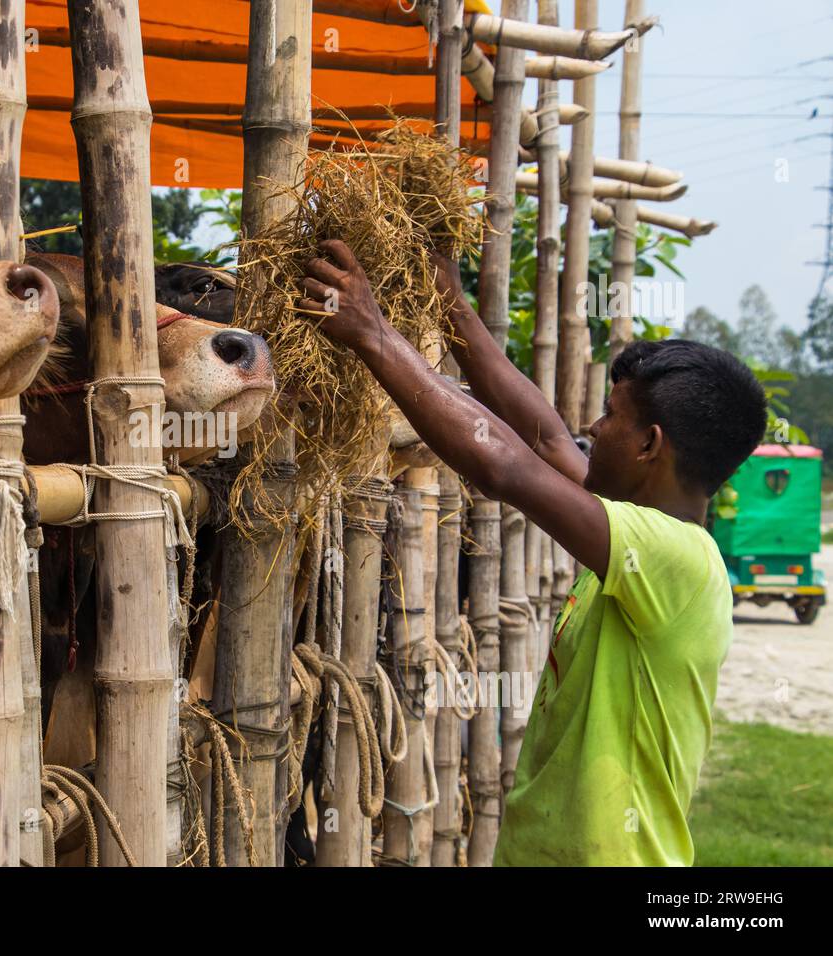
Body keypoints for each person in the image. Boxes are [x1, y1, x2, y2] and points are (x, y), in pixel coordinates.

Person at [298, 240, 768, 866]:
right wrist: (452, 307)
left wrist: (373, 334)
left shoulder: (677, 558)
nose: (593, 430)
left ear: (650, 445)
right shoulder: (632, 532)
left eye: (610, 417)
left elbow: (507, 467)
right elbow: (544, 439)